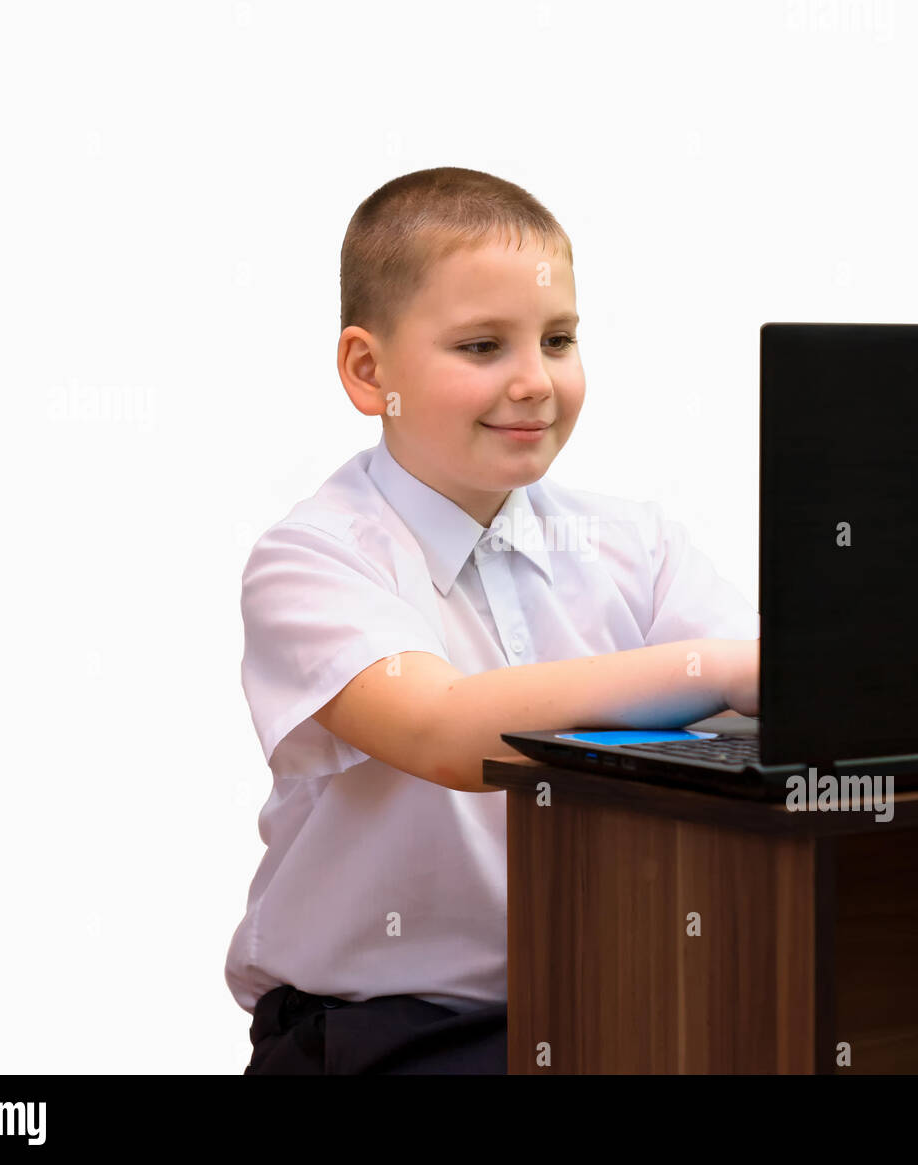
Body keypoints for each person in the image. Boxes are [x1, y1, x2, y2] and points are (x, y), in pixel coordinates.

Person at [229, 166, 760, 1074]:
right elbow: (441, 728)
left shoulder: (638, 543)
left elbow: (770, 698)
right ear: (369, 370)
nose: (534, 382)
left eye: (558, 340)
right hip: (388, 1032)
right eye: (482, 347)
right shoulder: (316, 558)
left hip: (605, 1005)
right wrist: (715, 671)